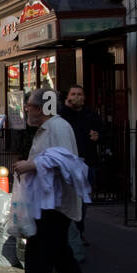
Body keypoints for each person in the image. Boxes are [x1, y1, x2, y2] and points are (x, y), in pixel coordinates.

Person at [10, 89, 102, 273]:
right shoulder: (48, 129)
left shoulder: (57, 128)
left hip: (54, 205)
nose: (27, 109)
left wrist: (32, 165)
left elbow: (67, 162)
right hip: (48, 203)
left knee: (37, 256)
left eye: (29, 105)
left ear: (42, 108)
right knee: (61, 256)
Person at [60, 85, 103, 240]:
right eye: (73, 94)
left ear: (84, 97)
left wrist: (98, 136)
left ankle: (78, 231)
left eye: (79, 94)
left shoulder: (90, 115)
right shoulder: (63, 114)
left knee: (82, 199)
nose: (76, 97)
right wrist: (67, 106)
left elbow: (103, 132)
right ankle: (68, 232)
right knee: (68, 197)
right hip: (68, 162)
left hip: (87, 162)